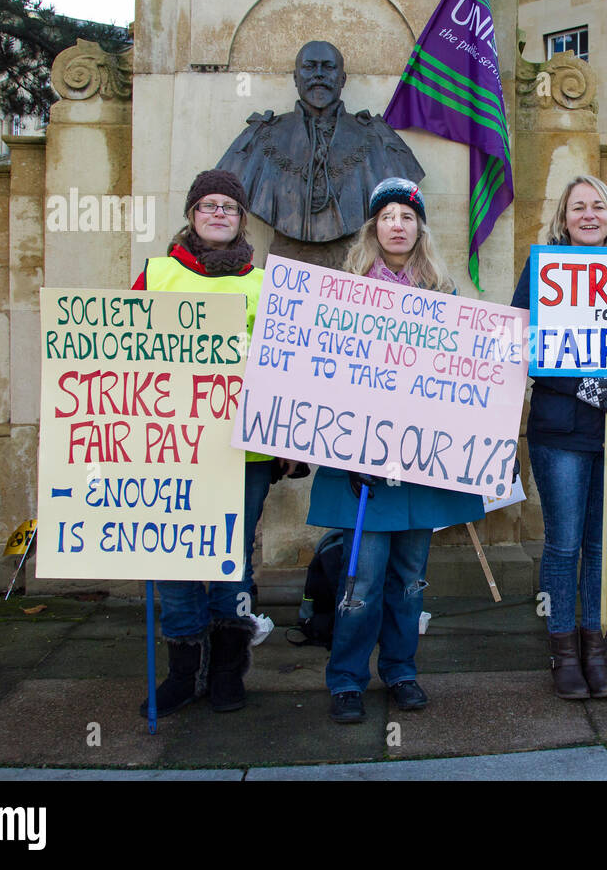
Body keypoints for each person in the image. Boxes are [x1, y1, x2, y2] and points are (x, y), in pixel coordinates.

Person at [306, 178, 484, 724]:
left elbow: (459, 383)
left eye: (407, 216)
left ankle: (402, 671)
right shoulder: (344, 292)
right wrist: (347, 451)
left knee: (410, 578)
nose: (397, 225)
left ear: (419, 228)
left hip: (420, 466)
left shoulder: (444, 296)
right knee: (362, 575)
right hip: (357, 463)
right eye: (387, 216)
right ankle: (347, 679)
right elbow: (323, 378)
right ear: (374, 227)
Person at [133, 169, 301, 716]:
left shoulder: (263, 284)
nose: (218, 213)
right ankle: (185, 671)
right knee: (174, 555)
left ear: (242, 217)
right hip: (171, 444)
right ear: (190, 215)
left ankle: (229, 670)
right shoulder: (155, 275)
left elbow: (283, 366)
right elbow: (120, 353)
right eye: (207, 205)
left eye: (228, 206)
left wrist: (287, 438)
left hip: (242, 448)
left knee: (232, 558)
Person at [511, 175, 607, 700]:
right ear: (564, 218)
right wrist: (586, 385)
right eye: (578, 208)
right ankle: (562, 649)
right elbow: (521, 342)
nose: (589, 215)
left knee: (602, 544)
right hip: (559, 432)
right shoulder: (543, 267)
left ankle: (597, 647)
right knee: (565, 544)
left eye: (599, 207)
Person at [217, 40, 425, 252]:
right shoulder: (259, 137)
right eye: (309, 67)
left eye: (328, 67)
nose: (318, 74)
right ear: (295, 78)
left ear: (342, 79)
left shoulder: (378, 138)